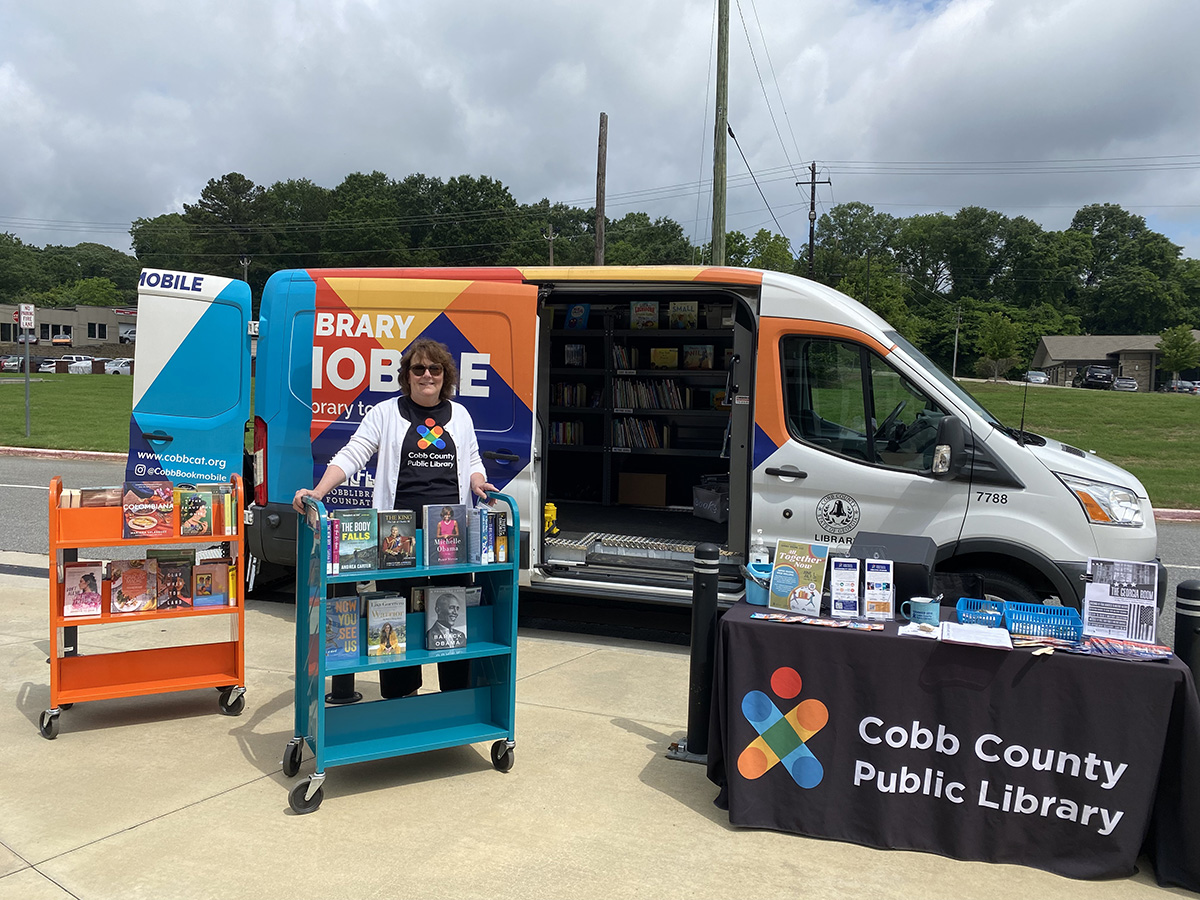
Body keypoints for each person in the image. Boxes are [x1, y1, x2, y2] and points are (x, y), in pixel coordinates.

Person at [293, 338, 496, 697]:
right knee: (397, 615)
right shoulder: (385, 413)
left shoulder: (460, 416)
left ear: (445, 375)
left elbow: (474, 460)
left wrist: (479, 482)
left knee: (453, 614)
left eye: (434, 369)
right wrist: (318, 492)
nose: (427, 375)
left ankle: (455, 697)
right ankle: (402, 697)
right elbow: (353, 453)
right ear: (407, 376)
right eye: (418, 369)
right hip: (398, 539)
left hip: (450, 540)